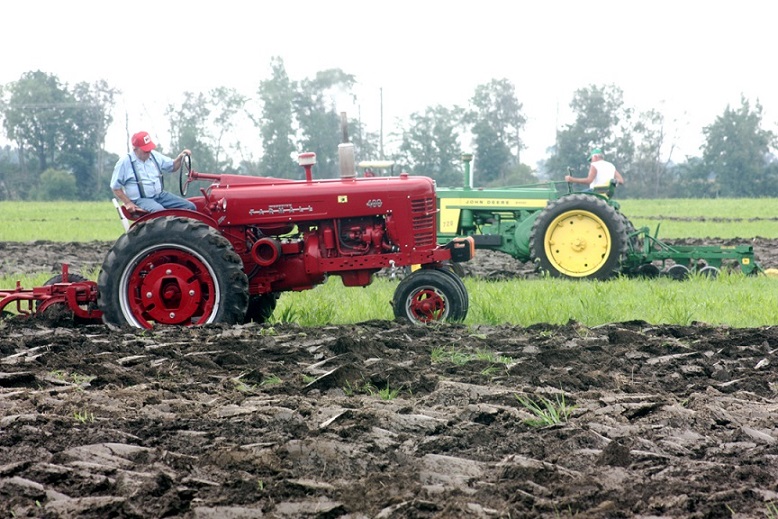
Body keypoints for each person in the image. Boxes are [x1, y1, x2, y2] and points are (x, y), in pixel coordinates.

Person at [110, 131, 196, 214]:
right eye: (145, 150)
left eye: (149, 149)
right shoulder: (124, 162)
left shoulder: (154, 155)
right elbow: (115, 187)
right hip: (141, 199)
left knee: (189, 207)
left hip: (160, 195)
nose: (148, 152)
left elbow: (173, 167)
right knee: (160, 212)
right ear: (135, 148)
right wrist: (128, 202)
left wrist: (180, 157)